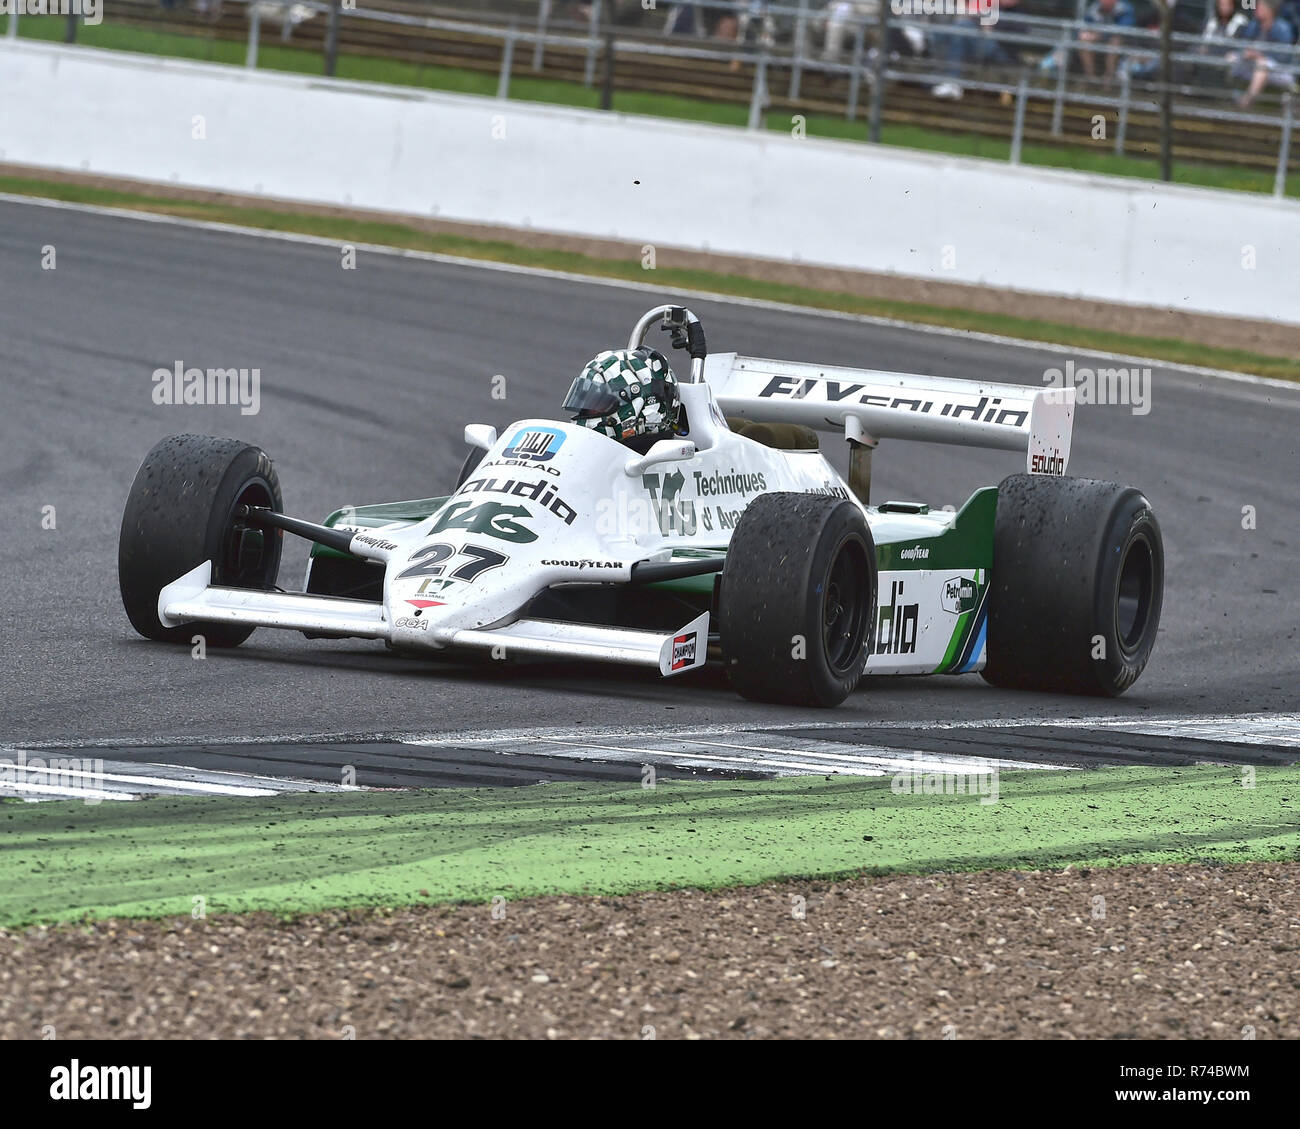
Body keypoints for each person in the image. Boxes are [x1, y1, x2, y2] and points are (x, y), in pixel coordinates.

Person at [563, 348, 683, 452]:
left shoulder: (674, 466)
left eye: (597, 405)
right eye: (587, 406)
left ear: (638, 406)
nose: (588, 411)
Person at [1230, 0, 1298, 107]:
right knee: (1232, 58)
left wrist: (1259, 55)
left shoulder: (1283, 28)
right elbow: (1243, 44)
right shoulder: (1254, 25)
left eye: (1260, 7)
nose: (1257, 9)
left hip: (1280, 70)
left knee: (1263, 64)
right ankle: (1222, 96)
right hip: (1254, 65)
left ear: (1269, 11)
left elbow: (1284, 57)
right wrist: (1245, 52)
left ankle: (1246, 102)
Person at [1079, 0, 1137, 82]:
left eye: (1108, 2)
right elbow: (1085, 24)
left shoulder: (1124, 8)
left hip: (1123, 42)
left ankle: (1109, 77)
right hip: (1099, 39)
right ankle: (1090, 76)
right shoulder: (1095, 8)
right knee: (1084, 39)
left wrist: (1100, 35)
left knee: (1115, 41)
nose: (1105, 4)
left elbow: (1124, 29)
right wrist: (1087, 33)